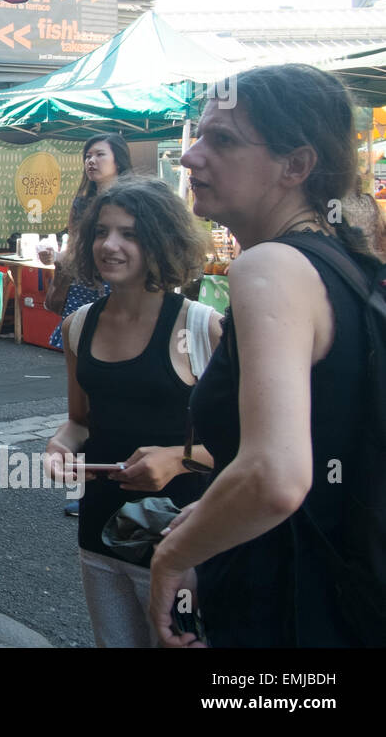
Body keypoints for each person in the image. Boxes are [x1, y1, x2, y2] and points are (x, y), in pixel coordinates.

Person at [150, 64, 386, 648]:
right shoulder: (351, 270)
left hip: (287, 610)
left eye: (222, 140)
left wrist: (171, 557)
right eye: (198, 134)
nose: (190, 157)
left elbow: (274, 476)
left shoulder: (270, 267)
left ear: (296, 166)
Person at [42, 176, 222, 647]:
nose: (110, 245)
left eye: (130, 233)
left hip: (185, 539)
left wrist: (177, 458)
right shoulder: (79, 326)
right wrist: (60, 445)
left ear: (163, 241)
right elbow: (80, 421)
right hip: (100, 530)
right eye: (101, 232)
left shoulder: (203, 328)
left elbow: (255, 454)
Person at [40, 133, 134, 351]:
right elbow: (75, 247)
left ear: (117, 161)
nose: (91, 161)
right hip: (83, 285)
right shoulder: (81, 203)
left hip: (122, 285)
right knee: (79, 348)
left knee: (119, 348)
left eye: (100, 155)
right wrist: (55, 257)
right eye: (88, 156)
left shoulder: (134, 201)